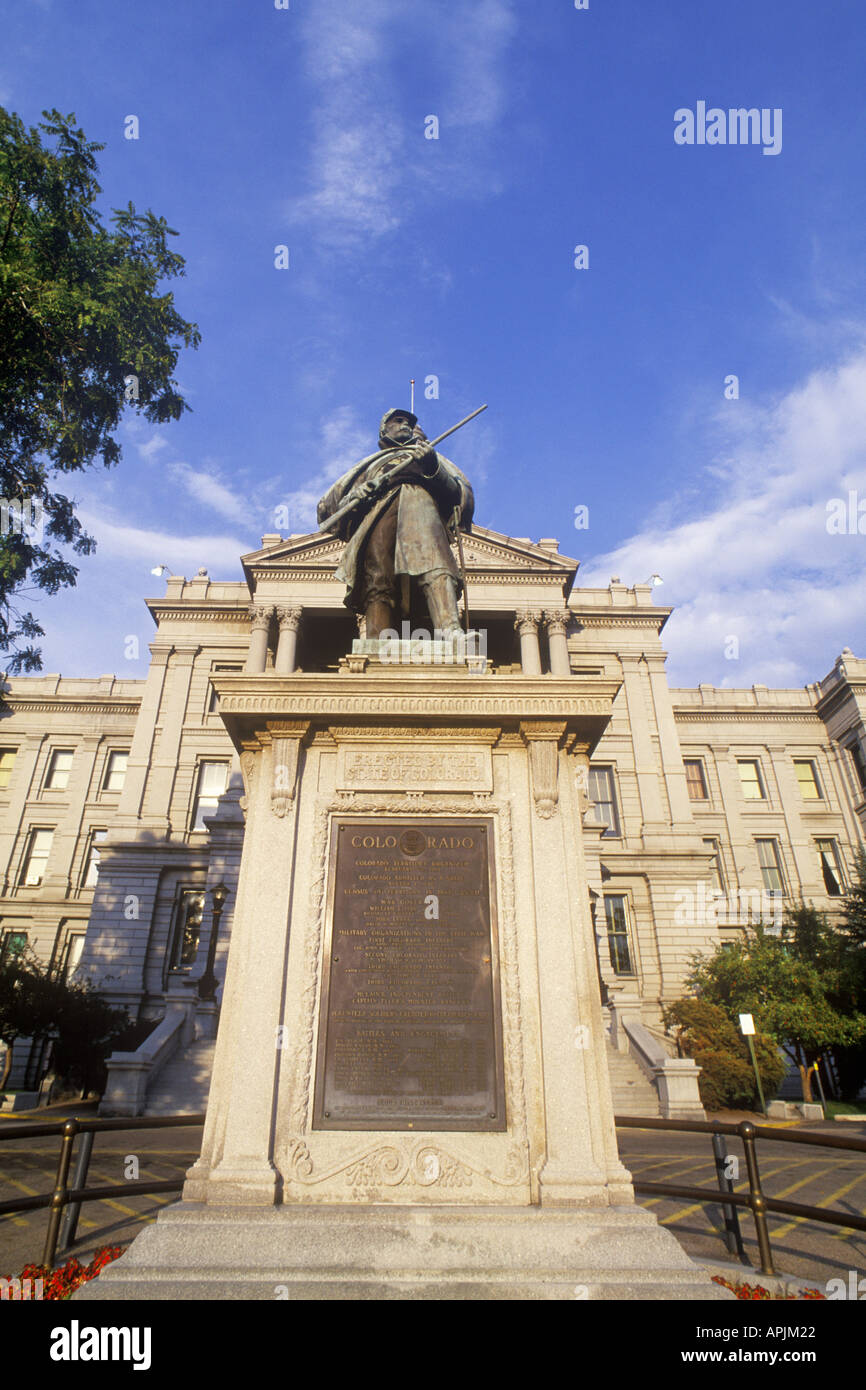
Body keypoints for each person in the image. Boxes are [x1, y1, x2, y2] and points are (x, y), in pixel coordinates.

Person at [316, 408, 474, 638]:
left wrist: (433, 468)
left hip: (420, 508)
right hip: (379, 515)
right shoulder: (371, 464)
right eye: (398, 420)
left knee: (434, 565)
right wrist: (358, 495)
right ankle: (377, 640)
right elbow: (332, 507)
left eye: (409, 422)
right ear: (384, 429)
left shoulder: (429, 457)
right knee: (378, 577)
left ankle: (450, 631)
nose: (405, 425)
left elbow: (458, 496)